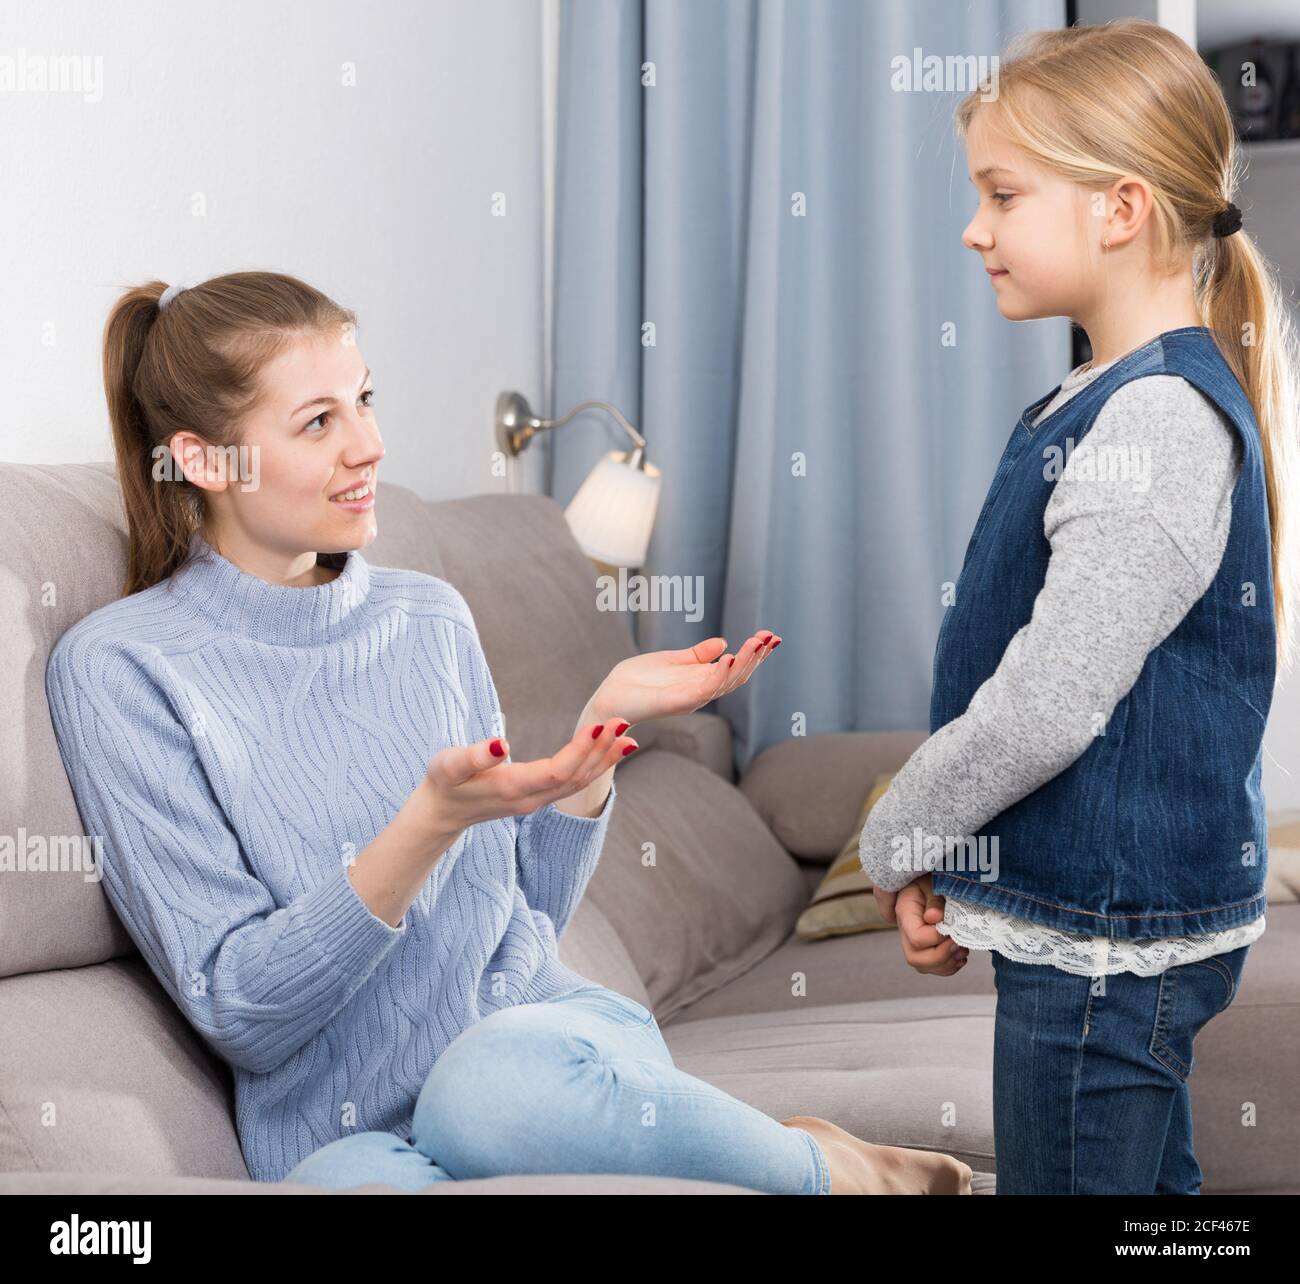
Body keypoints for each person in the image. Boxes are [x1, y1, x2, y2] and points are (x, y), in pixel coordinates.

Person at [45, 269, 972, 1195]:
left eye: (364, 401)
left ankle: (834, 1174)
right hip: (341, 1130)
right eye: (318, 422)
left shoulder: (429, 620)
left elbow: (521, 918)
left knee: (482, 1091)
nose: (369, 445)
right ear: (208, 461)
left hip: (538, 1057)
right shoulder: (124, 670)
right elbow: (243, 1010)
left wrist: (596, 739)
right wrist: (425, 827)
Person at [858, 20, 1298, 1195]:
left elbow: (1050, 701)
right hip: (1107, 925)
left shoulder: (1150, 420)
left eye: (1002, 194)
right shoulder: (1101, 394)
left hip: (1108, 942)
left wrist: (894, 834)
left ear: (1118, 209)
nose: (974, 228)